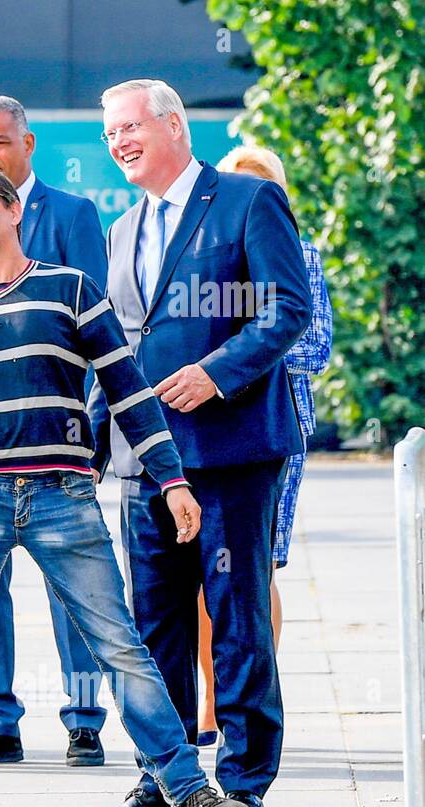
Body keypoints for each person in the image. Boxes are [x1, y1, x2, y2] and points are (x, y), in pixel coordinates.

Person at [0, 164, 252, 807]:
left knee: (122, 649)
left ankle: (191, 792)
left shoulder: (70, 290)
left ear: (15, 211)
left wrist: (172, 478)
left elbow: (129, 392)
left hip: (64, 497)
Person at [87, 80, 311, 807]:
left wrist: (218, 372)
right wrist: (94, 443)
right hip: (145, 462)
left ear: (174, 125)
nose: (117, 141)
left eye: (129, 127)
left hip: (230, 452)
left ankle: (244, 783)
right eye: (109, 132)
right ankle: (168, 779)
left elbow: (288, 308)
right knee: (153, 627)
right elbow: (114, 349)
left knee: (235, 616)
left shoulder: (247, 203)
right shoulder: (121, 233)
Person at [0, 94, 111, 767]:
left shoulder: (73, 216)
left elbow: (100, 334)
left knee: (73, 585)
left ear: (28, 145)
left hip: (58, 440)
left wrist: (95, 435)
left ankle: (84, 719)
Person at [194, 145, 334, 749]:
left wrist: (233, 359)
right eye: (234, 184)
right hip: (201, 428)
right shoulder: (198, 255)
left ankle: (249, 700)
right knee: (201, 573)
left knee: (257, 567)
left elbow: (313, 346)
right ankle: (208, 699)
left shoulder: (299, 256)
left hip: (274, 430)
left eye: (259, 186)